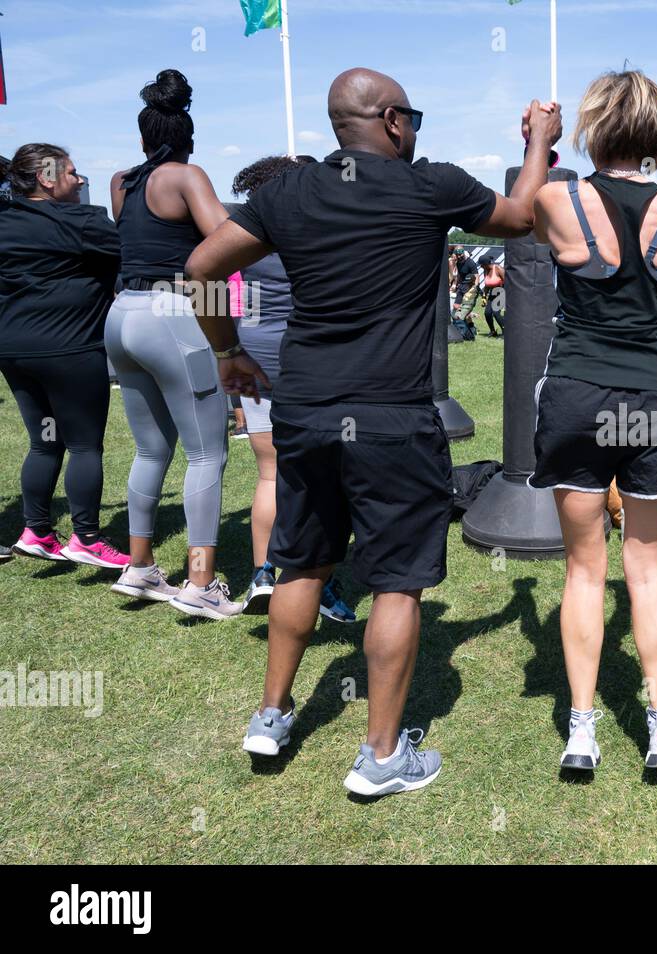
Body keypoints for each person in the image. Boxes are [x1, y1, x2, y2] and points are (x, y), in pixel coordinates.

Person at [185, 67, 560, 796]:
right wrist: (540, 140)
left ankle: (271, 715)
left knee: (301, 562)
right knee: (396, 582)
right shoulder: (429, 186)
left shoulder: (285, 191)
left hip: (305, 410)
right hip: (392, 416)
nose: (416, 128)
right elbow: (523, 218)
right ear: (392, 120)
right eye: (412, 116)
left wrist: (227, 352)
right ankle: (381, 758)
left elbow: (200, 266)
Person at [528, 69, 657, 772]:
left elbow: (533, 195)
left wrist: (538, 141)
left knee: (582, 571)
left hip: (577, 391)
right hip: (655, 394)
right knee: (649, 569)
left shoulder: (555, 197)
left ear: (592, 127)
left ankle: (581, 731)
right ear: (656, 135)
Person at [103, 70, 239, 616]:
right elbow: (225, 236)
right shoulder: (186, 176)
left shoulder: (121, 181)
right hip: (173, 313)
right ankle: (200, 582)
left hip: (122, 315)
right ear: (189, 135)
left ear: (142, 137)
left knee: (150, 448)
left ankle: (139, 566)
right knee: (207, 451)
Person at [227, 154, 356, 623]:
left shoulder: (250, 230)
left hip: (254, 350)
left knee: (270, 475)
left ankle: (263, 573)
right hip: (307, 357)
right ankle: (321, 583)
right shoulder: (315, 227)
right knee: (326, 480)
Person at [0, 144, 128, 568]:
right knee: (85, 445)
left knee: (45, 441)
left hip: (15, 350)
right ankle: (87, 537)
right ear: (47, 178)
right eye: (73, 173)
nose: (79, 180)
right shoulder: (81, 220)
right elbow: (129, 252)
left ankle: (36, 531)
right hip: (69, 348)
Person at [450, 246, 480, 338]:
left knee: (463, 314)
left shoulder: (470, 263)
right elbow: (459, 274)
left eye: (460, 254)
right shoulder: (458, 262)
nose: (459, 256)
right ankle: (461, 332)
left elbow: (477, 276)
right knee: (455, 309)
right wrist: (455, 284)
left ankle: (468, 334)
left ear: (463, 252)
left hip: (470, 289)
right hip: (461, 288)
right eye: (457, 255)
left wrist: (474, 289)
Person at [480, 254, 505, 336]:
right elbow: (487, 285)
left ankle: (505, 331)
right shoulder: (485, 270)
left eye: (481, 264)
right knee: (487, 313)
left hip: (502, 291)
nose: (480, 266)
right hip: (493, 293)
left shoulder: (498, 268)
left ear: (486, 264)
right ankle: (493, 331)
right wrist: (484, 296)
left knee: (496, 312)